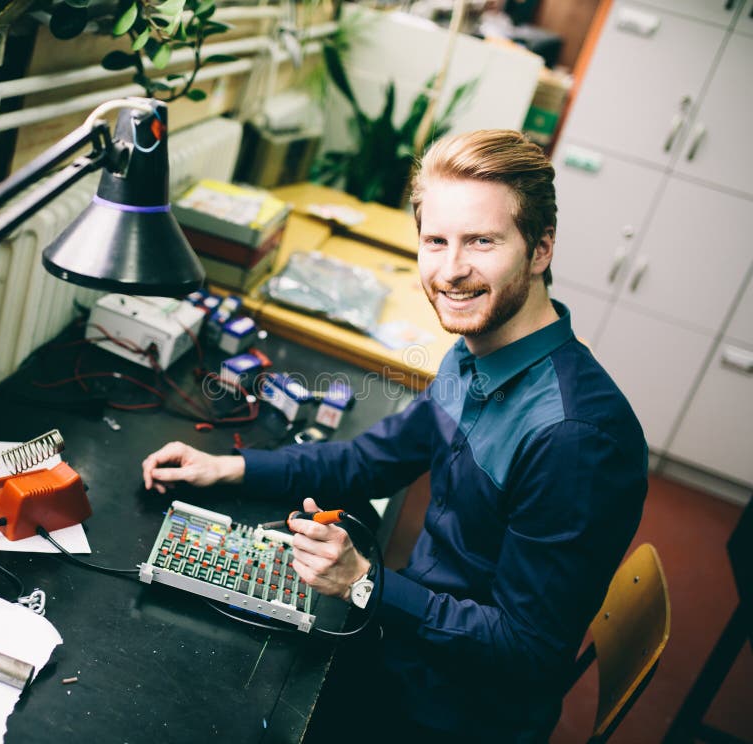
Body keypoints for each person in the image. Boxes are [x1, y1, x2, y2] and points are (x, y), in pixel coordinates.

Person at [141, 130, 648, 741]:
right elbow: (371, 460)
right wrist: (229, 468)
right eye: (436, 241)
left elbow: (526, 649)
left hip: (450, 713)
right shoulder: (475, 354)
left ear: (539, 250)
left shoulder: (576, 441)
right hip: (409, 645)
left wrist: (362, 581)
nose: (452, 270)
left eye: (482, 241)